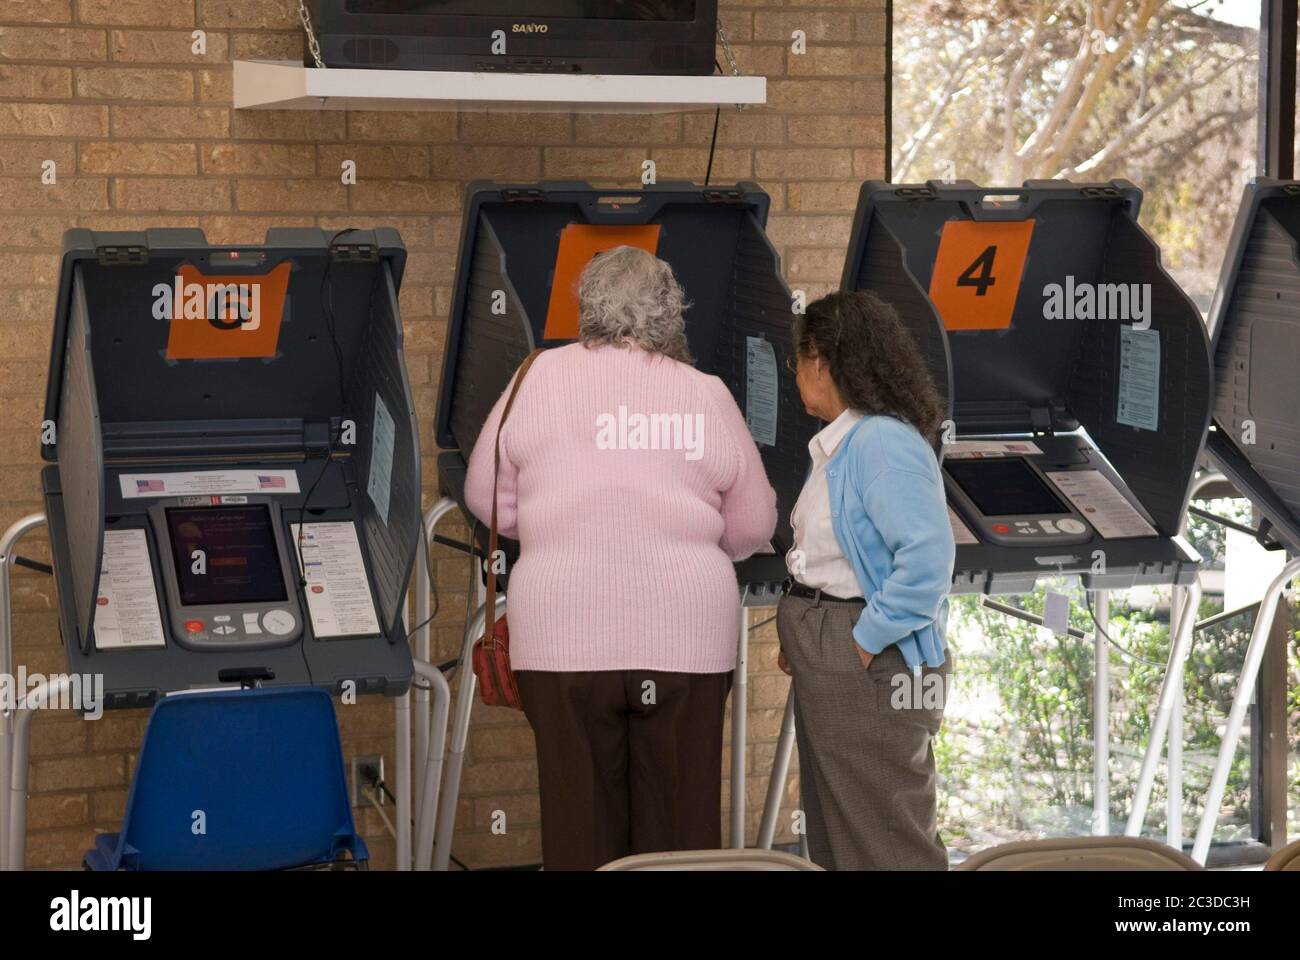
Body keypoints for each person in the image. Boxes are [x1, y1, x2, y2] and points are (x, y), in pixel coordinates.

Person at [464, 245, 777, 871]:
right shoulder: (705, 393)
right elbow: (753, 524)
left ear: (586, 308)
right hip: (686, 642)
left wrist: (562, 525)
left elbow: (484, 495)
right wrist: (680, 540)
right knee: (682, 829)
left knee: (580, 824)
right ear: (672, 313)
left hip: (562, 640)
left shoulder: (539, 376)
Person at [778, 289, 955, 870]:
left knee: (887, 840)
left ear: (822, 361)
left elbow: (927, 559)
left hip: (871, 660)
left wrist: (859, 641)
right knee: (844, 834)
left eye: (796, 360)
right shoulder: (849, 442)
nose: (794, 373)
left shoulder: (881, 442)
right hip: (839, 647)